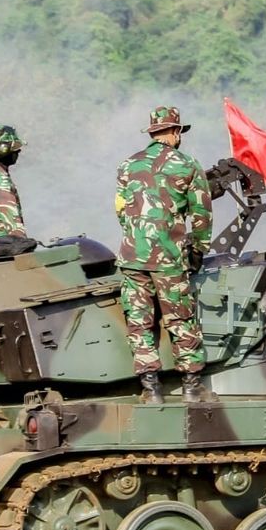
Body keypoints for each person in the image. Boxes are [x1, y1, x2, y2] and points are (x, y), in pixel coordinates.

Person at [116, 106, 215, 404]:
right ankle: (190, 386)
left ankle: (151, 389)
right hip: (169, 259)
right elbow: (201, 215)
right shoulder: (188, 165)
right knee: (181, 319)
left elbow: (122, 211)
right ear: (175, 132)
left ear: (152, 133)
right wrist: (197, 251)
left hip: (132, 258)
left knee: (140, 322)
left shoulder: (127, 165)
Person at [0, 125, 38, 261]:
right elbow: (15, 230)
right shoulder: (1, 182)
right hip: (5, 258)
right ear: (4, 150)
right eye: (14, 149)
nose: (18, 152)